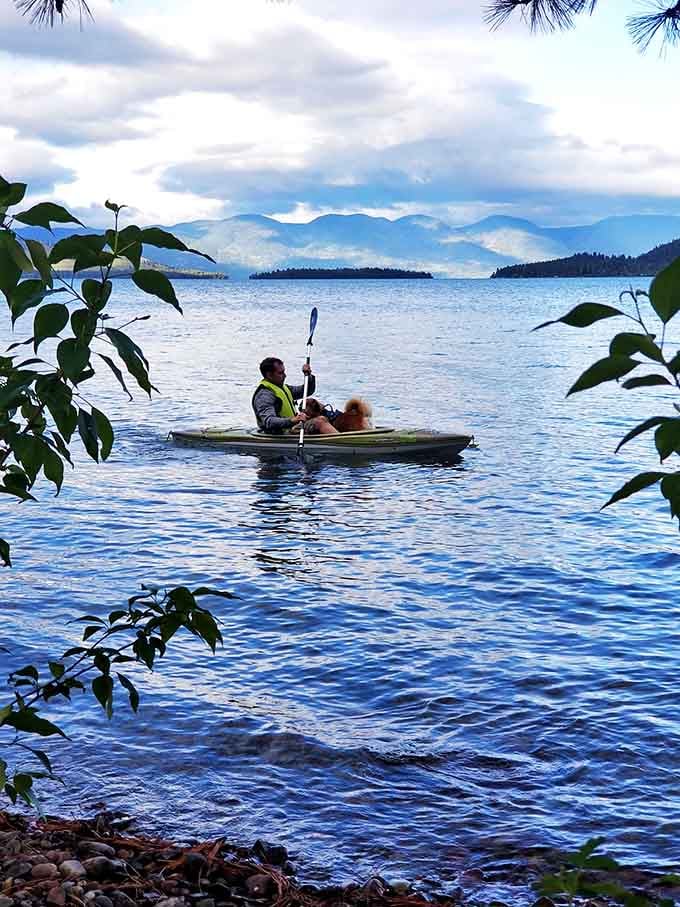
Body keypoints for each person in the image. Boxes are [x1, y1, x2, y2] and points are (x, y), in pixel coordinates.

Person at [252, 356, 329, 434]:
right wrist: (293, 420)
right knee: (319, 421)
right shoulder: (265, 395)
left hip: (292, 428)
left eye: (284, 372)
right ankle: (338, 442)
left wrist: (308, 376)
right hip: (280, 434)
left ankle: (336, 437)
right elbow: (269, 421)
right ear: (269, 375)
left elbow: (307, 390)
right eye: (280, 373)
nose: (285, 375)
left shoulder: (284, 388)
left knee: (323, 416)